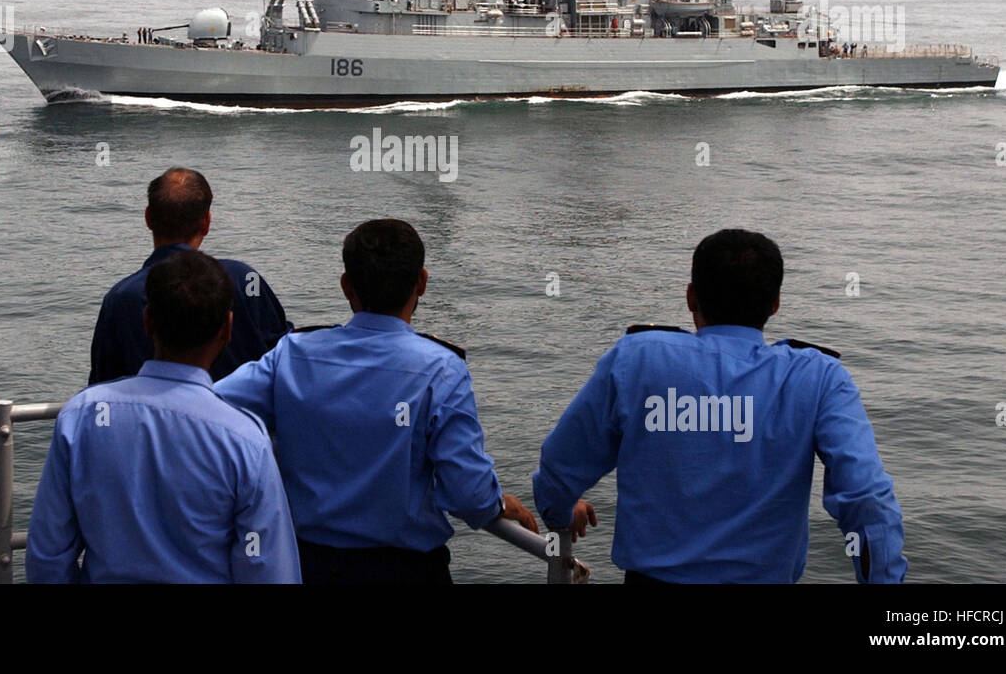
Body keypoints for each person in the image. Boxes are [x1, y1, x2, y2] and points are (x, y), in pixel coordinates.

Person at [533, 228, 908, 584]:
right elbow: (867, 500)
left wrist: (561, 512)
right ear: (775, 304)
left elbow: (558, 469)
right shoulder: (819, 376)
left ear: (691, 297)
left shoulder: (637, 359)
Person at [216, 218, 542, 584]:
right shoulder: (441, 370)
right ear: (422, 283)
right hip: (406, 569)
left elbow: (210, 408)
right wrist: (497, 503)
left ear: (346, 286)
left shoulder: (292, 354)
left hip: (304, 564)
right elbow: (468, 494)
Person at [26, 248, 301, 583]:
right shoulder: (246, 440)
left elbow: (48, 554)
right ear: (227, 329)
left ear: (147, 321)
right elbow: (266, 568)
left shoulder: (81, 418)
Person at [89, 167, 290, 385]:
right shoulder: (247, 279)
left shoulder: (121, 299)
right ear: (206, 223)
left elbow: (103, 381)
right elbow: (284, 355)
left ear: (148, 218)